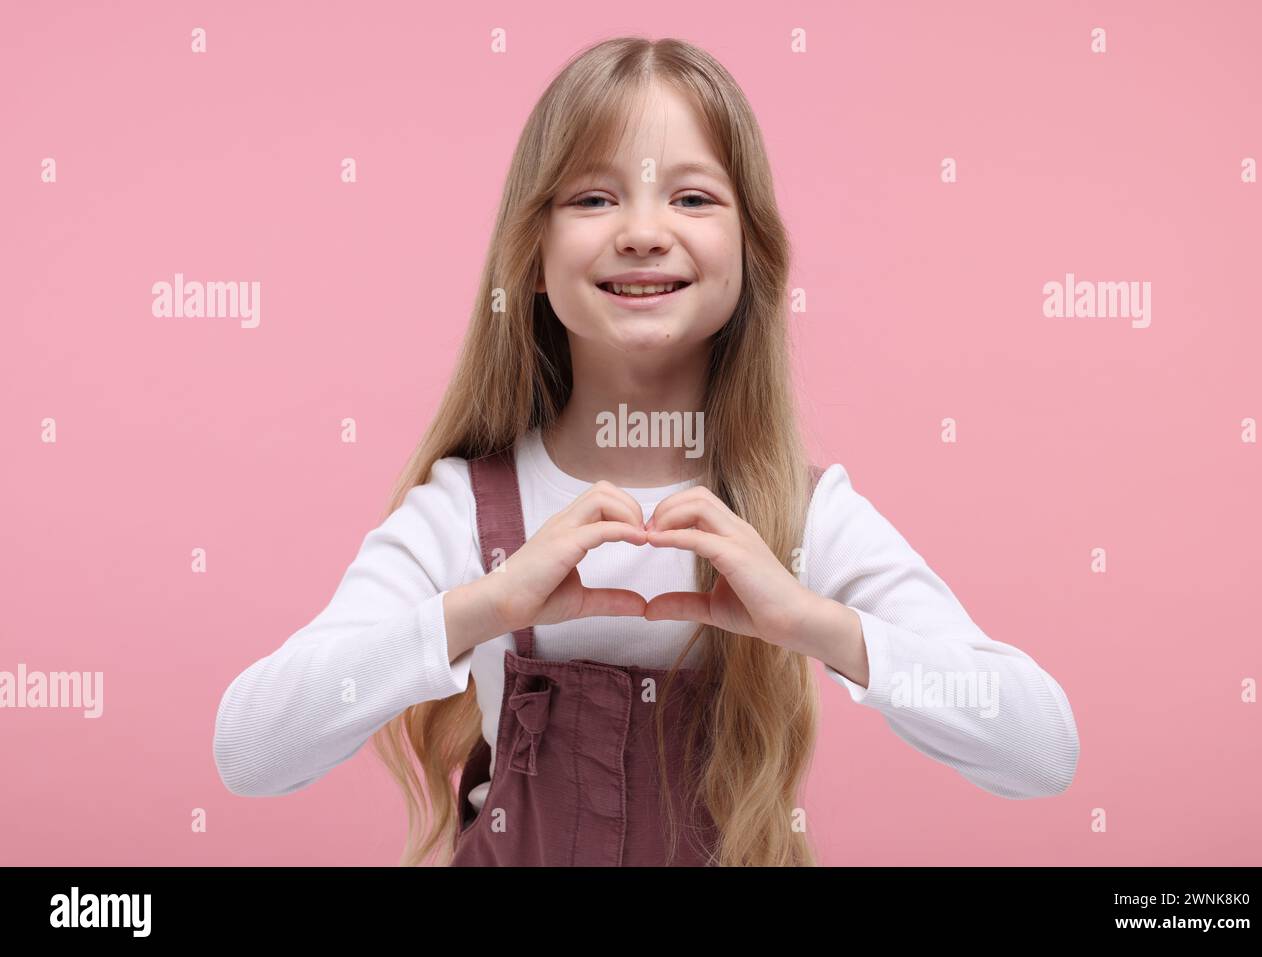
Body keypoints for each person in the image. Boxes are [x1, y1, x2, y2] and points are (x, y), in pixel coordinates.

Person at [213, 36, 1079, 867]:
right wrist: (482, 607)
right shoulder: (462, 510)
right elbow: (251, 748)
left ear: (753, 255)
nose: (642, 231)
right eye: (594, 197)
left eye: (692, 198)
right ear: (536, 262)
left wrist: (808, 622)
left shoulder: (806, 516)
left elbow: (1041, 750)